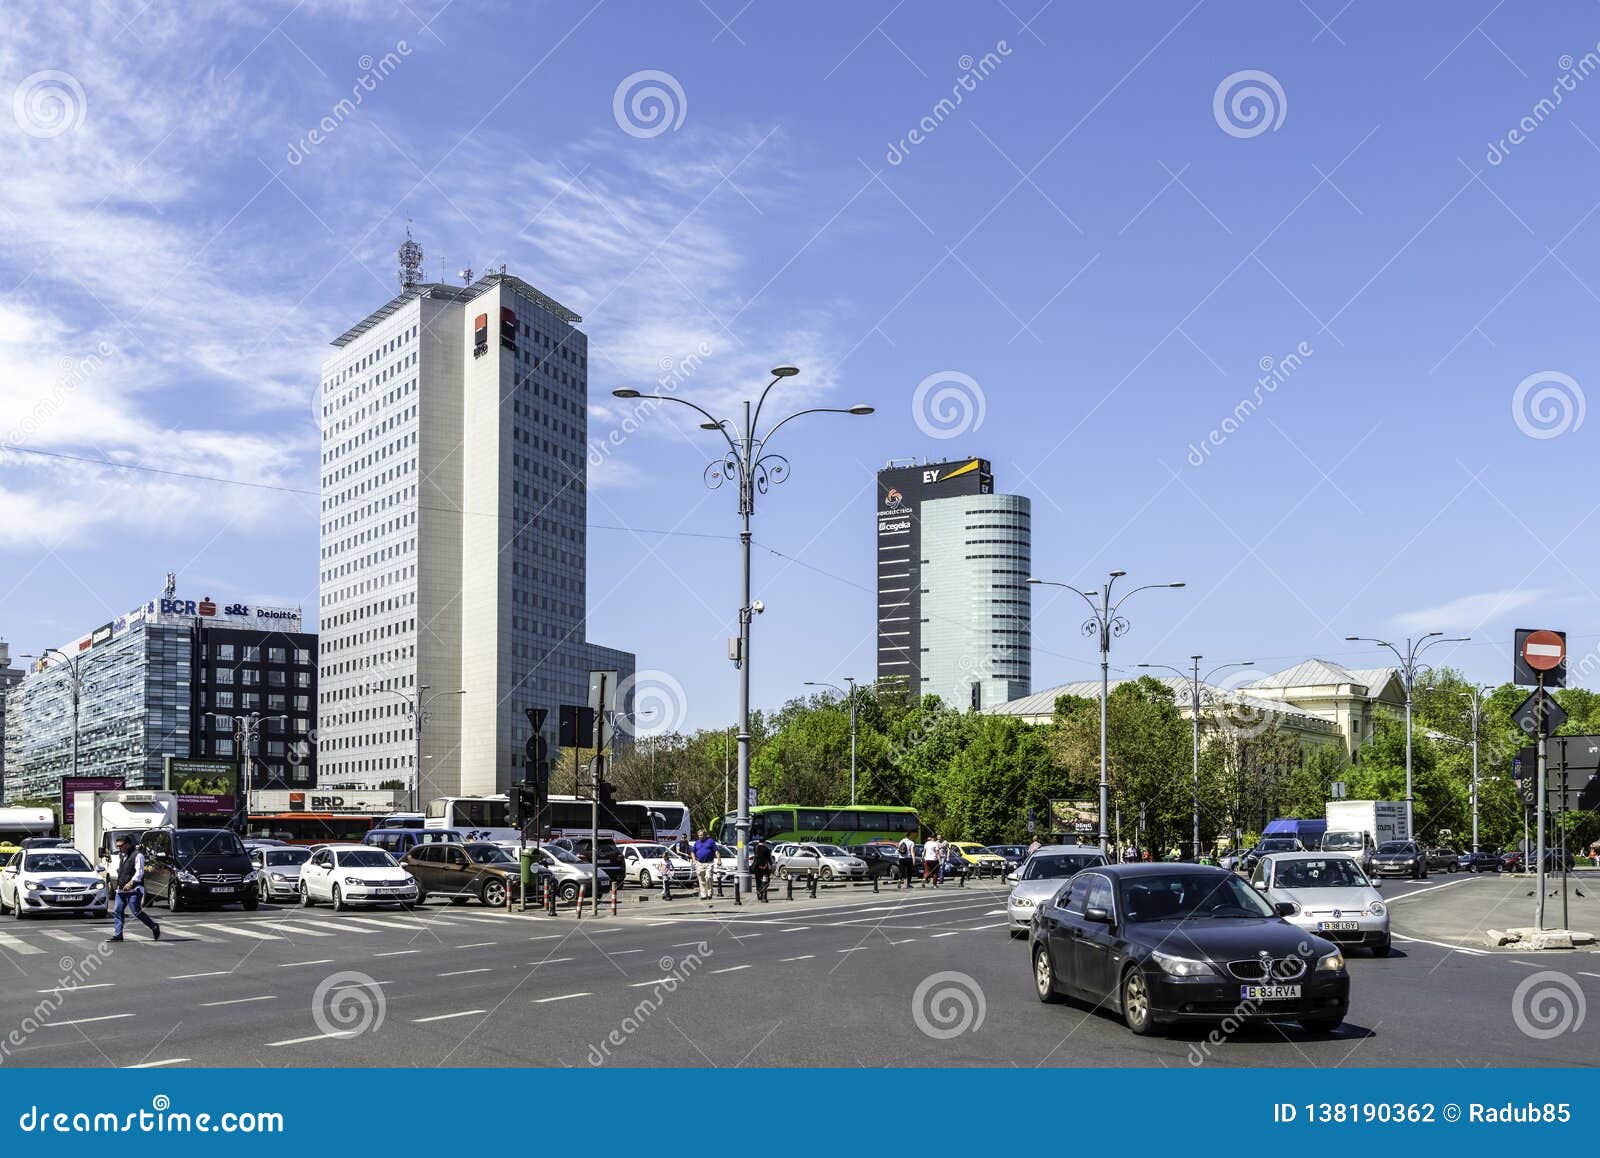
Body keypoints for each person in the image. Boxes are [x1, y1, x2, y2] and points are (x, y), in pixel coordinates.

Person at [110, 836, 160, 943]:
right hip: (121, 889)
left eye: (121, 846)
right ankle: (118, 935)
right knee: (118, 911)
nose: (119, 848)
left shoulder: (138, 855)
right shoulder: (122, 855)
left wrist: (131, 883)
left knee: (136, 911)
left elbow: (139, 872)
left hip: (134, 889)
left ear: (128, 844)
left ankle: (154, 926)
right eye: (117, 846)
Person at [691, 829, 718, 900]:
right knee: (701, 879)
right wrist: (694, 861)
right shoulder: (697, 843)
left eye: (701, 835)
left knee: (708, 877)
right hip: (699, 863)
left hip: (709, 862)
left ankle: (710, 893)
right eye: (699, 835)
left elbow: (716, 851)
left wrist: (719, 860)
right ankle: (703, 894)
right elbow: (692, 852)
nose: (700, 837)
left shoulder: (710, 841)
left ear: (705, 835)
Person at [751, 836, 774, 902]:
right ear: (764, 841)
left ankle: (759, 894)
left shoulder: (755, 848)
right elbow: (769, 859)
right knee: (766, 880)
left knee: (758, 880)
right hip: (764, 867)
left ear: (759, 841)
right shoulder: (767, 849)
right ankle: (762, 892)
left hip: (756, 867)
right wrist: (771, 866)